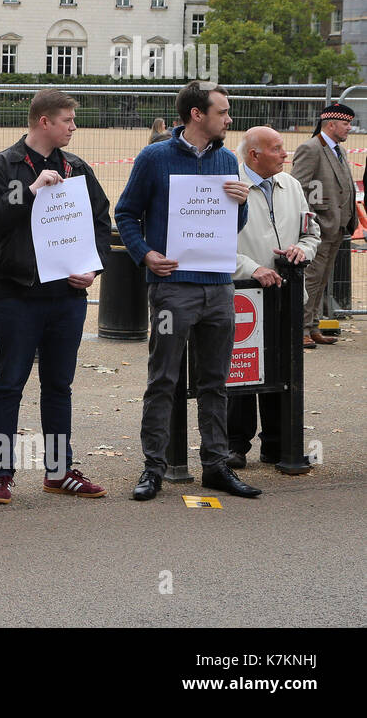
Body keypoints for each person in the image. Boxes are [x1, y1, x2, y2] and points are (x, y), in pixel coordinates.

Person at [115, 81, 260, 501]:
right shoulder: (154, 157)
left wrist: (241, 202)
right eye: (223, 112)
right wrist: (145, 255)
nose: (229, 120)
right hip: (172, 289)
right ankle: (154, 469)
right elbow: (126, 212)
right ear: (197, 114)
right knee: (163, 379)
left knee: (216, 381)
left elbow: (231, 225)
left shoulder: (228, 160)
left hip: (217, 287)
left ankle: (215, 465)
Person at [0, 89, 112, 505]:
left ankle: (59, 470)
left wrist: (94, 267)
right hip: (17, 295)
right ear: (44, 122)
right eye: (68, 120)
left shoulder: (77, 168)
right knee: (8, 385)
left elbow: (102, 223)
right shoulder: (4, 165)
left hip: (67, 297)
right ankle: (1, 475)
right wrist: (30, 190)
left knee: (58, 386)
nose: (74, 127)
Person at [229, 126, 319, 467]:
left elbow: (312, 232)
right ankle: (234, 446)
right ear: (255, 155)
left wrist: (302, 250)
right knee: (242, 370)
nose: (286, 154)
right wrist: (252, 268)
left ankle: (279, 445)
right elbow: (214, 244)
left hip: (286, 294)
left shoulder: (291, 185)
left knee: (284, 370)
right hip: (244, 295)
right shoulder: (232, 187)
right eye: (278, 148)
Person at [290, 103, 357, 348]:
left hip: (337, 227)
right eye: (346, 124)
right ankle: (300, 329)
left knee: (322, 280)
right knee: (311, 280)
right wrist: (311, 225)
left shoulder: (339, 150)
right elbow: (298, 189)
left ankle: (313, 325)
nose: (349, 128)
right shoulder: (311, 148)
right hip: (319, 228)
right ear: (331, 124)